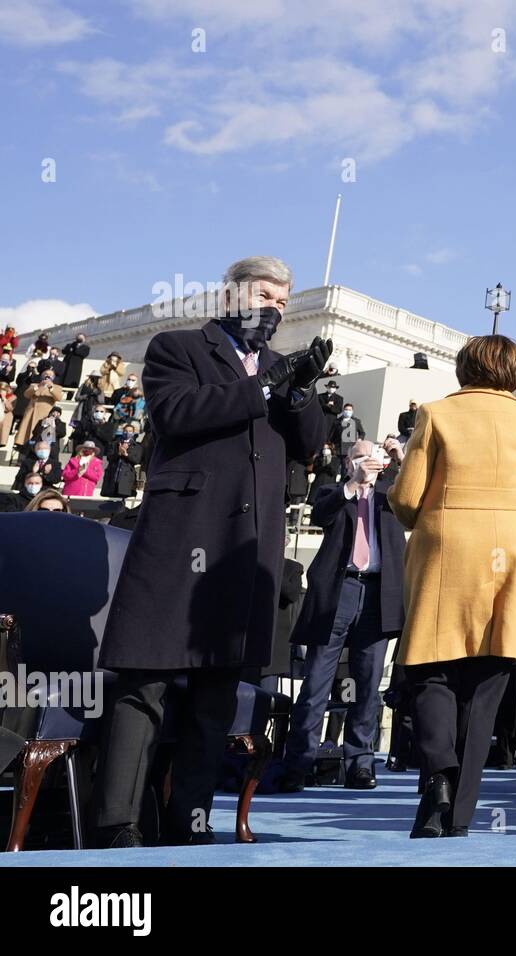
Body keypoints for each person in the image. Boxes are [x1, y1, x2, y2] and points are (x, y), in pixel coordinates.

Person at [91, 255, 330, 849]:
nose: (275, 308)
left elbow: (311, 447)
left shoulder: (281, 368)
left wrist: (298, 392)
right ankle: (117, 823)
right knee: (142, 685)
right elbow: (175, 414)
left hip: (243, 551)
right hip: (181, 538)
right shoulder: (178, 347)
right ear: (230, 297)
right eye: (265, 296)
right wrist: (264, 387)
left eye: (282, 301)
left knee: (214, 693)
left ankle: (190, 821)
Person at [389, 335, 516, 838]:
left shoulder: (436, 413)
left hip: (446, 543)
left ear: (465, 367)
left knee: (432, 667)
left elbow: (406, 497)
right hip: (507, 548)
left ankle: (438, 772)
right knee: (486, 684)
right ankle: (457, 818)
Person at [281, 439, 408, 791]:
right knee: (315, 684)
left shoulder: (392, 492)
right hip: (339, 592)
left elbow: (419, 498)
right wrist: (353, 483)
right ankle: (299, 764)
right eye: (360, 456)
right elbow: (322, 514)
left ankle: (359, 765)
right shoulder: (333, 491)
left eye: (373, 456)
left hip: (378, 594)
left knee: (367, 688)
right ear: (348, 462)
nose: (368, 461)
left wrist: (402, 459)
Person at [15, 369, 60, 447]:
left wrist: (51, 388)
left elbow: (58, 397)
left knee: (41, 437)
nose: (48, 376)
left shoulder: (57, 387)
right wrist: (38, 386)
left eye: (50, 375)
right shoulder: (34, 385)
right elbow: (26, 394)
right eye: (46, 374)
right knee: (26, 436)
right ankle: (24, 447)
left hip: (45, 415)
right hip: (31, 413)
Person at [101, 424, 143, 499]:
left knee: (123, 501)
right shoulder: (114, 444)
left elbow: (137, 460)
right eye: (125, 431)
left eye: (130, 431)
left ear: (133, 433)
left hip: (126, 477)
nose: (127, 433)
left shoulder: (137, 446)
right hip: (113, 475)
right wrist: (119, 453)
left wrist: (126, 454)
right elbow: (109, 458)